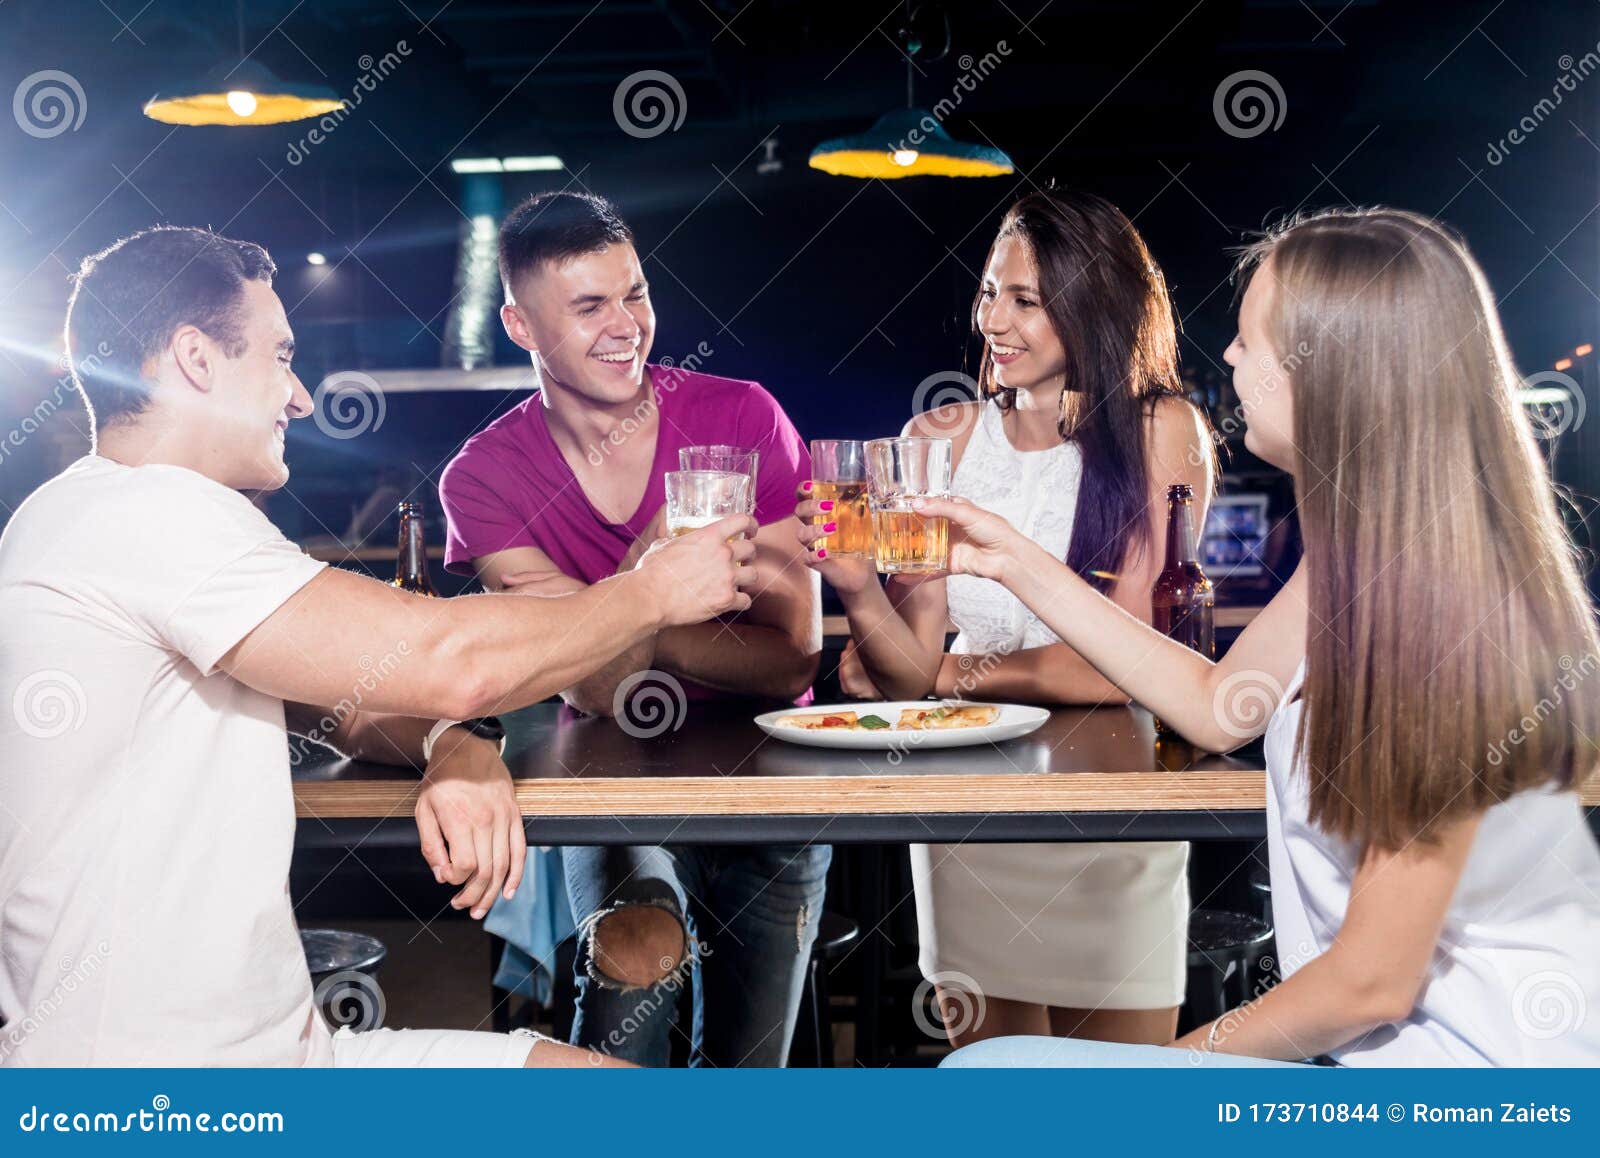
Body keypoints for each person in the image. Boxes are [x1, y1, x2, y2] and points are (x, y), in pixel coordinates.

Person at [0, 225, 754, 1067]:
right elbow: (447, 660)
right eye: (280, 357)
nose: (301, 398)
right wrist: (651, 589)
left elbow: (354, 703)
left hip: (287, 1055)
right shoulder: (140, 518)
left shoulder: (135, 518)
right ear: (196, 358)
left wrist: (450, 745)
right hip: (145, 1090)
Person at [921, 207, 1600, 1066]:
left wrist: (1163, 1077)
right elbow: (1215, 707)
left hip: (1485, 1085)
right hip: (1386, 1064)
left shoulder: (1444, 612)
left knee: (991, 1071)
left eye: (1251, 341)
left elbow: (1371, 985)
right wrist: (1017, 560)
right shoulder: (1365, 550)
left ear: (1333, 372)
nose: (1230, 357)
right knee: (990, 1068)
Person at [798, 190, 1213, 1047]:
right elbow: (912, 675)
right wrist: (857, 588)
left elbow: (1127, 663)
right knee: (1000, 1103)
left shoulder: (1162, 429)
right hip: (971, 802)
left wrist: (955, 677)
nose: (995, 318)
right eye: (991, 292)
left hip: (1113, 802)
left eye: (1027, 299)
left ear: (1093, 303)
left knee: (1124, 1113)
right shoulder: (936, 438)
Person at [439, 190, 828, 1067]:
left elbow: (789, 659)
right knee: (638, 959)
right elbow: (590, 687)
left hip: (773, 773)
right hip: (612, 773)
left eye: (636, 295)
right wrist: (657, 570)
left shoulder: (745, 418)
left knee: (747, 1070)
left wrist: (613, 620)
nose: (627, 327)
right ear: (520, 324)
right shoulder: (485, 477)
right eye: (588, 307)